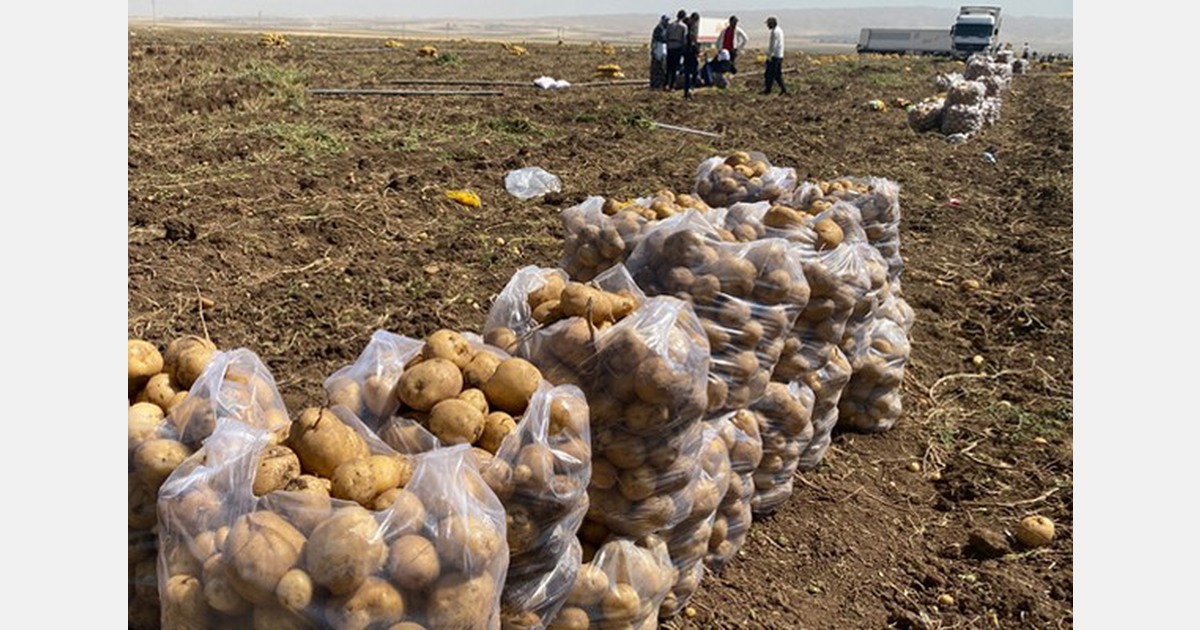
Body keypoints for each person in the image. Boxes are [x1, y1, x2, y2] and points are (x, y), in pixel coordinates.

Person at [664, 10, 689, 91]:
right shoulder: (683, 27)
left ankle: (666, 84)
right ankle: (672, 86)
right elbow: (684, 39)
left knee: (668, 67)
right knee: (675, 67)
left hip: (670, 47)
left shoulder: (670, 25)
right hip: (677, 47)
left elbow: (666, 36)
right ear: (684, 17)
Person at [763, 16, 787, 95]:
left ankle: (768, 90)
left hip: (775, 56)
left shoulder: (774, 32)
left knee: (769, 74)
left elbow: (773, 45)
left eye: (768, 24)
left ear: (772, 24)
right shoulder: (779, 30)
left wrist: (769, 56)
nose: (767, 26)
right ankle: (783, 89)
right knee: (777, 74)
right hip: (779, 55)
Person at [682, 12, 701, 98]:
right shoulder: (692, 27)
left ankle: (687, 90)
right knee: (694, 71)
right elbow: (693, 39)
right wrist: (697, 50)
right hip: (691, 52)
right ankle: (690, 89)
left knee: (687, 72)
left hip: (686, 52)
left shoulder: (686, 25)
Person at [650, 15, 670, 89]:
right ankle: (655, 84)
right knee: (657, 68)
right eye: (666, 21)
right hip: (658, 51)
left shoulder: (666, 29)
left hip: (663, 51)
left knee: (663, 68)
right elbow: (659, 39)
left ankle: (661, 83)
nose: (667, 22)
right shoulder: (658, 29)